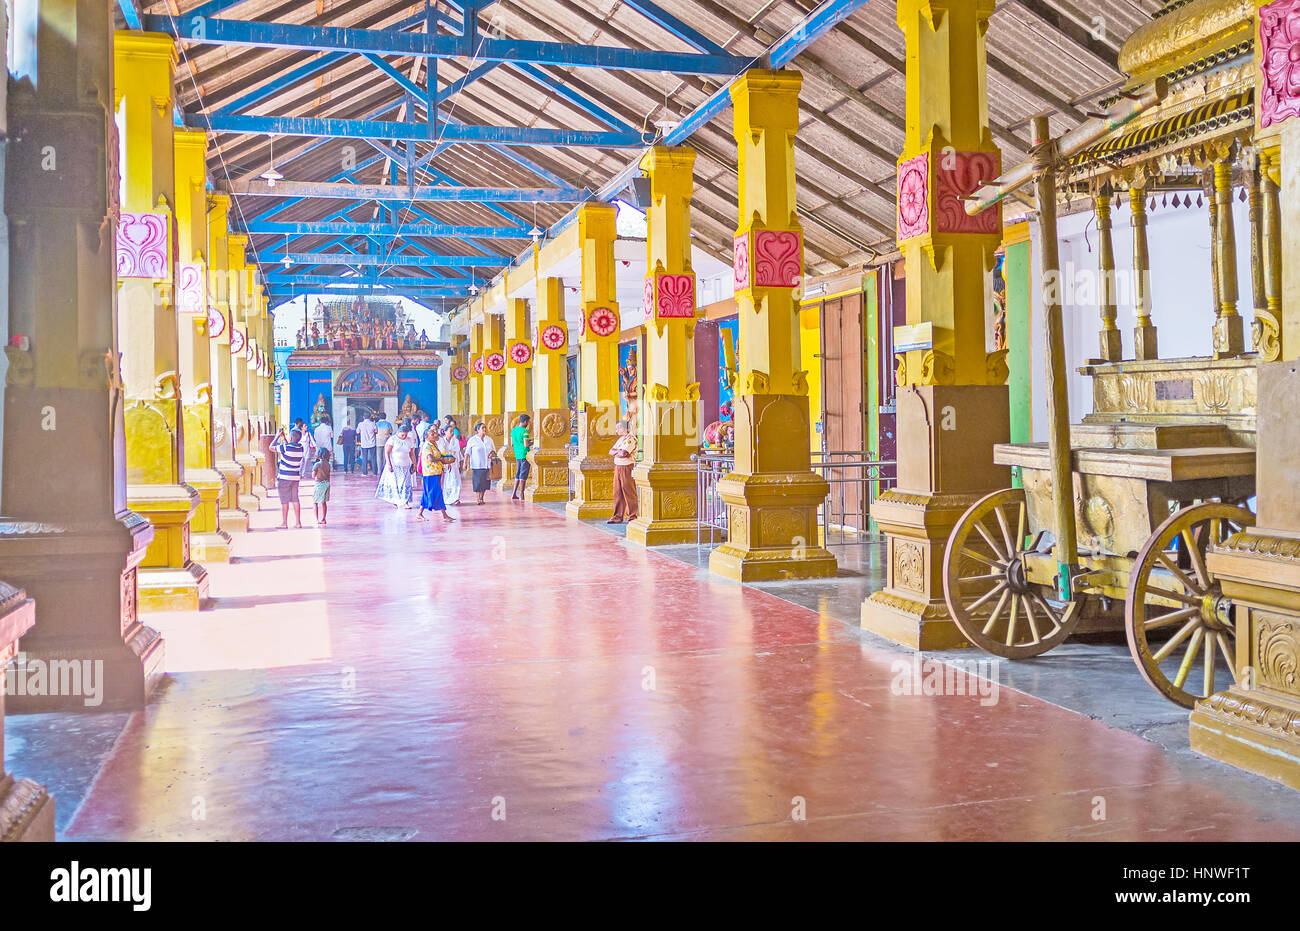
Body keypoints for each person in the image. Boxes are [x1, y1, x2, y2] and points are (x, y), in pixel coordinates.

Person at [416, 428, 455, 523]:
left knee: (430, 493)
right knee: (435, 493)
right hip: (430, 474)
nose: (435, 435)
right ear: (426, 437)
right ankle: (444, 515)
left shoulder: (434, 444)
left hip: (435, 473)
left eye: (434, 433)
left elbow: (438, 455)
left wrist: (445, 458)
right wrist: (441, 459)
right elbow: (430, 458)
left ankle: (420, 513)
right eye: (432, 434)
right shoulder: (427, 446)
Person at [376, 419, 417, 508]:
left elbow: (412, 453)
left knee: (405, 484)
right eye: (402, 435)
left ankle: (405, 501)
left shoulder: (409, 440)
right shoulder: (392, 439)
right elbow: (387, 452)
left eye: (406, 435)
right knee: (397, 484)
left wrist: (414, 463)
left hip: (406, 465)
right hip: (395, 465)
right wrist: (389, 464)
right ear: (398, 432)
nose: (404, 436)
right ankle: (398, 501)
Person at [272, 426, 306, 529]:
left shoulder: (285, 448)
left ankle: (284, 523)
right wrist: (285, 439)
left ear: (291, 438)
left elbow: (271, 447)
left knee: (285, 500)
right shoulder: (300, 448)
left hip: (284, 478)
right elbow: (289, 446)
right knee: (295, 499)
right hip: (295, 478)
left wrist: (278, 436)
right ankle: (298, 522)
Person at [608, 420, 638, 524]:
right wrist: (617, 452)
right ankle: (617, 516)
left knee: (628, 491)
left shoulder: (631, 439)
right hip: (618, 466)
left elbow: (624, 453)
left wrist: (617, 452)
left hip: (626, 467)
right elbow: (611, 451)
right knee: (617, 492)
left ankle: (632, 516)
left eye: (618, 428)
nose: (617, 430)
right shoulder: (621, 439)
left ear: (625, 428)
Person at [465, 422, 496, 506]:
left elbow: (493, 450)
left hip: (486, 464)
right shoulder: (472, 440)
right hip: (477, 465)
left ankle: (482, 497)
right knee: (478, 482)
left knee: (485, 482)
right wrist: (465, 463)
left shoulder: (489, 439)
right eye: (482, 428)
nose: (484, 429)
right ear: (478, 430)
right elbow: (467, 452)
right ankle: (478, 498)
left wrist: (491, 453)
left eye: (485, 427)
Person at [509, 414, 532, 501]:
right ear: (525, 421)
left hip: (517, 455)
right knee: (523, 474)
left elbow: (511, 444)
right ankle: (521, 493)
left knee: (518, 473)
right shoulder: (525, 431)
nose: (528, 424)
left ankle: (514, 493)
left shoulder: (513, 430)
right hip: (524, 454)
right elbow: (526, 444)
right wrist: (531, 442)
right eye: (528, 422)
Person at [439, 423, 463, 506]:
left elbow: (457, 451)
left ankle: (456, 498)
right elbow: (442, 452)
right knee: (448, 481)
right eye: (450, 431)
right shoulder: (442, 440)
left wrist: (460, 463)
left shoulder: (455, 440)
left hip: (454, 462)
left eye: (452, 431)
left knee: (456, 481)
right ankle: (448, 498)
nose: (452, 433)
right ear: (445, 432)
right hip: (446, 463)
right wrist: (447, 461)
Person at [311, 448, 332, 526]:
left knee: (315, 502)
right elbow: (329, 475)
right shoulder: (328, 464)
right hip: (326, 483)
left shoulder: (317, 464)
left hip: (319, 484)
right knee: (324, 502)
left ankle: (316, 519)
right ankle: (324, 518)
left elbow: (313, 475)